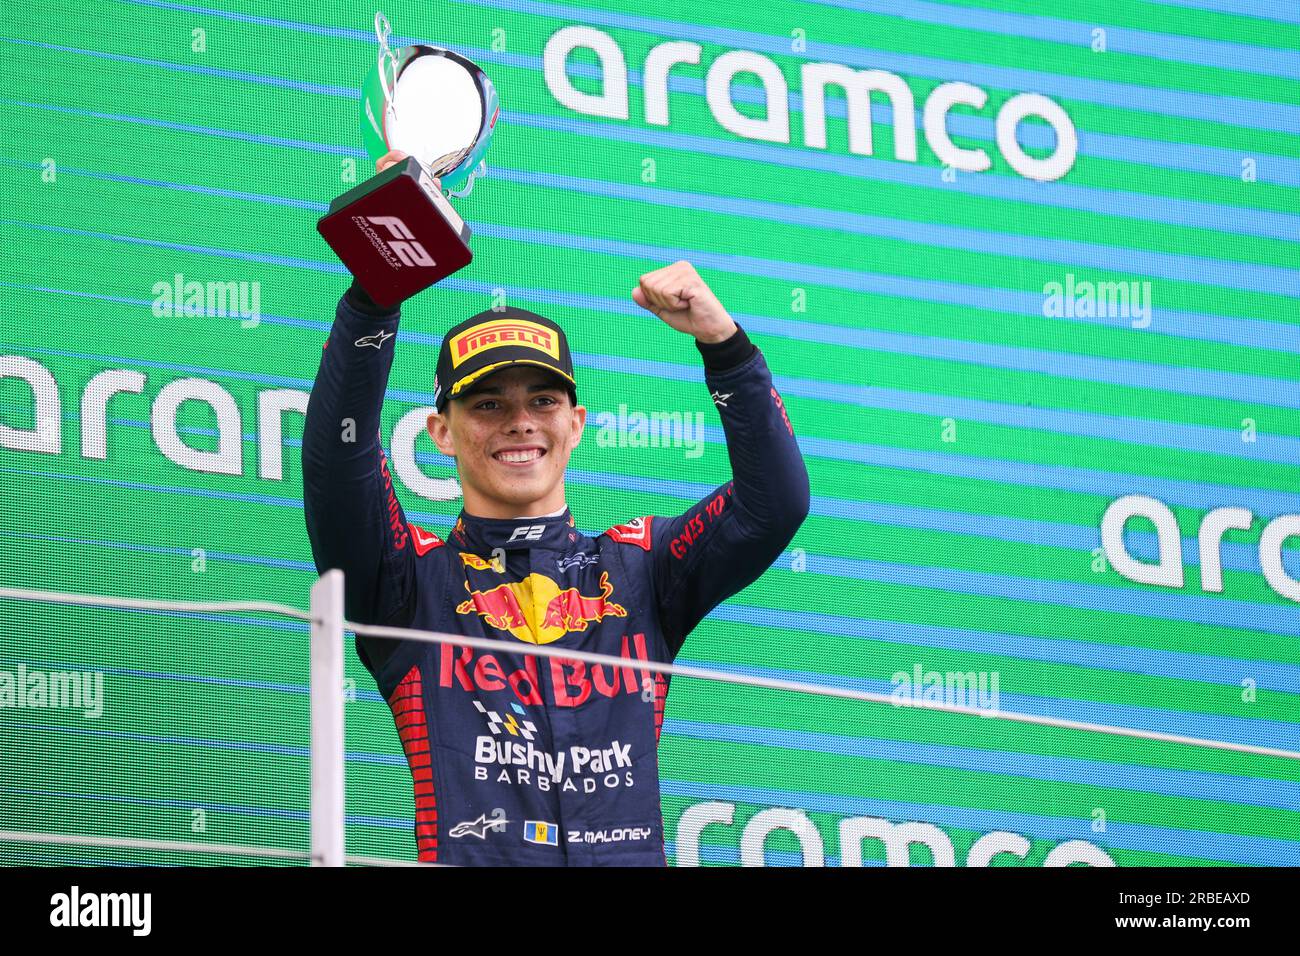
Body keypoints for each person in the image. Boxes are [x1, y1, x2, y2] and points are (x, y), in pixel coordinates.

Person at [302, 150, 810, 866]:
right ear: (440, 433)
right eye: (487, 404)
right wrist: (373, 297)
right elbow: (337, 468)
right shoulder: (409, 586)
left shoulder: (642, 569)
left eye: (543, 399)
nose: (520, 422)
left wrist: (725, 350)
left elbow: (776, 503)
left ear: (576, 424)